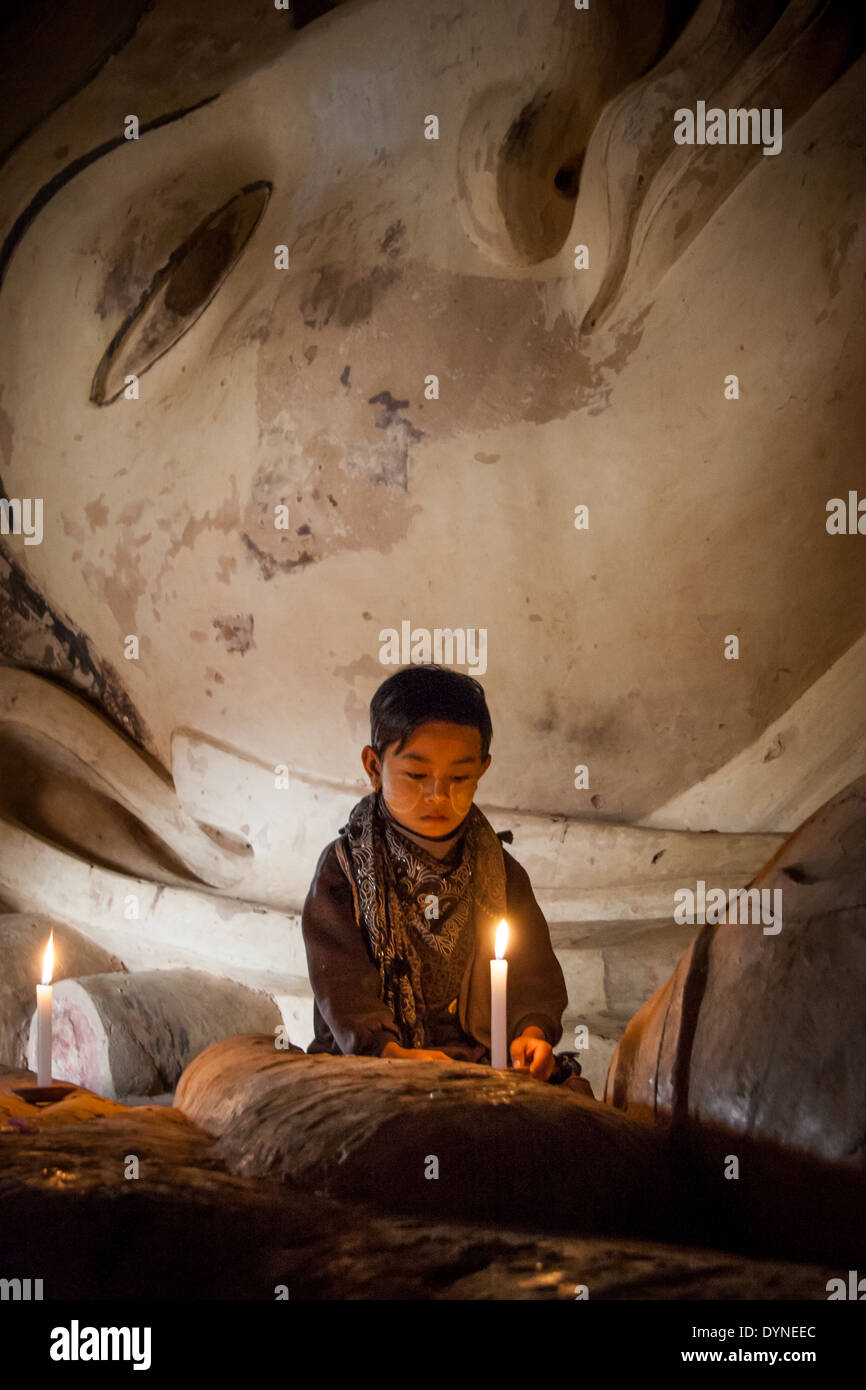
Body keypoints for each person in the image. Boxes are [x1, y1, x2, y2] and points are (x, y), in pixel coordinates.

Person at [301, 664, 593, 1094]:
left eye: (460, 777)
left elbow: (533, 976)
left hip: (476, 1059)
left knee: (573, 1109)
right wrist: (388, 1052)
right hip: (372, 1061)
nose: (438, 794)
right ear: (374, 765)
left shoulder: (501, 872)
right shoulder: (344, 870)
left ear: (483, 769)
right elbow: (340, 983)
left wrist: (531, 1033)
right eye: (416, 775)